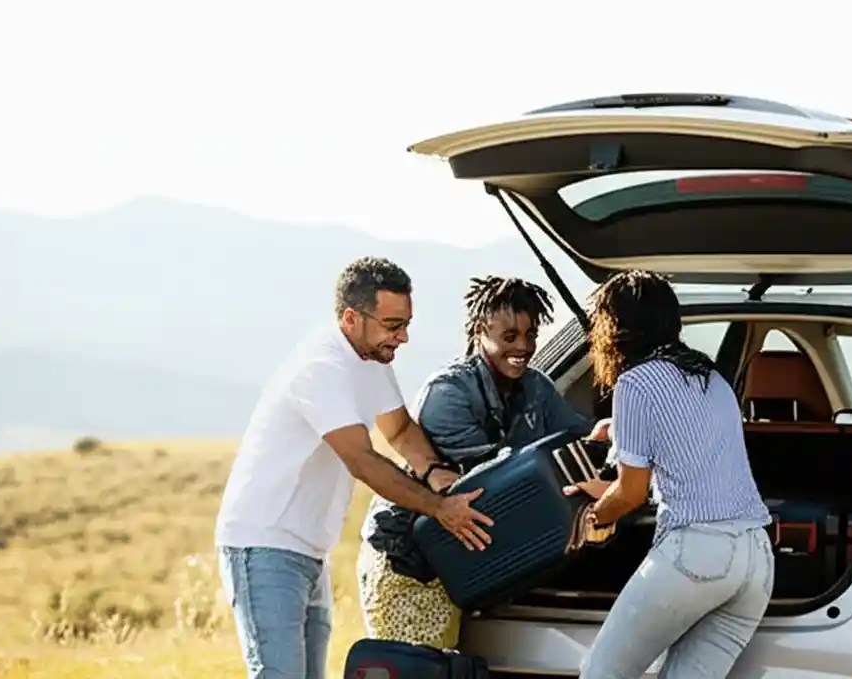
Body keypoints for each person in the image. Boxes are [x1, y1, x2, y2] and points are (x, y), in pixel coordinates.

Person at [214, 257, 494, 679]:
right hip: (263, 547)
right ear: (351, 318)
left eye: (406, 324)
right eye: (392, 324)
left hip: (309, 552)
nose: (402, 337)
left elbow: (399, 430)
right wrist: (439, 508)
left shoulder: (370, 362)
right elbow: (362, 460)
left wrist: (436, 472)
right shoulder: (322, 368)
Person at [357, 275, 596, 649]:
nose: (524, 347)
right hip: (411, 565)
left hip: (465, 561)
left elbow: (576, 437)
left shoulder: (535, 387)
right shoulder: (448, 393)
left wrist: (606, 436)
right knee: (422, 670)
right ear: (481, 329)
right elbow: (491, 481)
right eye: (510, 336)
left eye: (531, 335)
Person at [565, 269, 774, 678]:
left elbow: (630, 494)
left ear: (615, 327)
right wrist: (619, 432)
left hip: (698, 552)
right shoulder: (712, 377)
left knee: (601, 674)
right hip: (756, 559)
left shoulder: (635, 384)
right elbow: (687, 448)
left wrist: (593, 519)